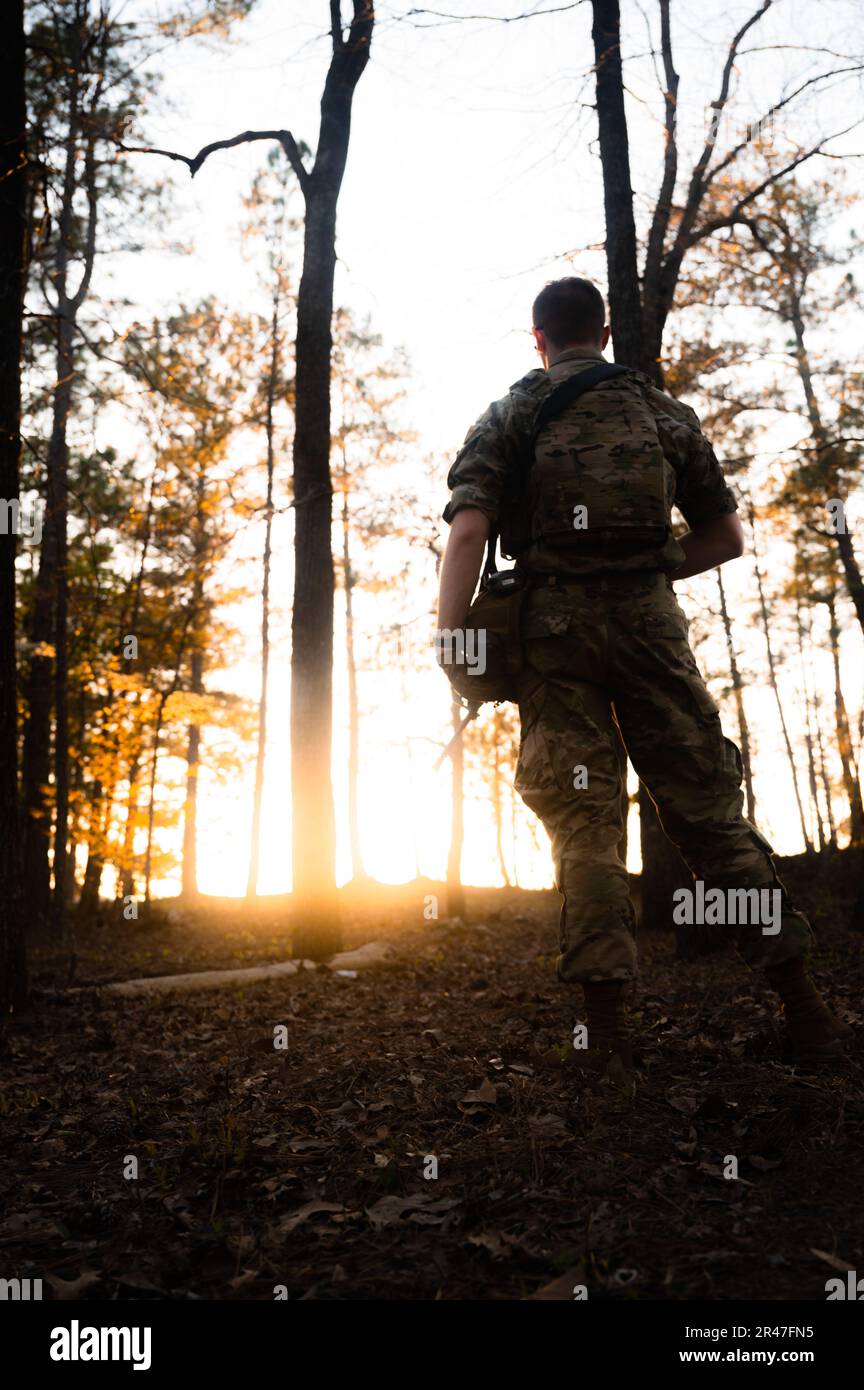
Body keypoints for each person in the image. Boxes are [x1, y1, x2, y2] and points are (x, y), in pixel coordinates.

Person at [436, 276, 850, 1064]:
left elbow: (466, 536)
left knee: (586, 824)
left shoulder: (514, 411)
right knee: (707, 812)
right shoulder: (664, 414)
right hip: (652, 632)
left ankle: (608, 1035)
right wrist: (647, 570)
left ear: (539, 339)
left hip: (554, 638)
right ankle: (806, 1010)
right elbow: (726, 539)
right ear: (602, 330)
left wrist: (453, 641)